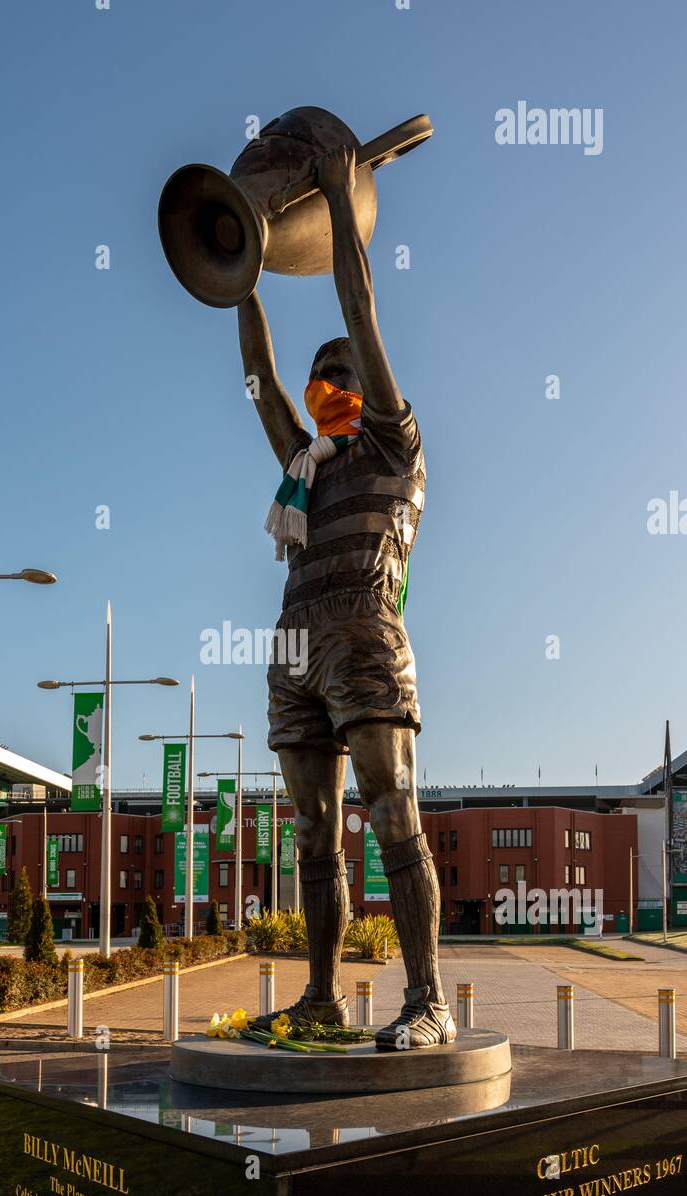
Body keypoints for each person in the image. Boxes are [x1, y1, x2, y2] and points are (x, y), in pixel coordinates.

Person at [236, 145, 455, 1048]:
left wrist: (333, 191)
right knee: (314, 839)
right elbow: (258, 379)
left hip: (366, 640)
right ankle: (321, 1000)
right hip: (295, 651)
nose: (324, 381)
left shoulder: (393, 446)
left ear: (365, 385)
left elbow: (358, 308)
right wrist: (237, 261)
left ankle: (427, 1001)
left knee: (392, 815)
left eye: (340, 370)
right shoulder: (303, 465)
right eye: (318, 373)